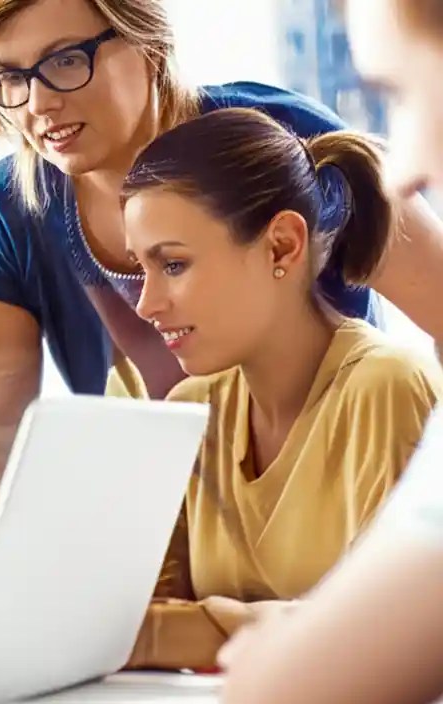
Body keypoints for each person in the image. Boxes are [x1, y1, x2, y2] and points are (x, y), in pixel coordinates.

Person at [0, 0, 443, 541]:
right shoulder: (4, 214)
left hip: (354, 527)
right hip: (182, 544)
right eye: (11, 77)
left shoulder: (275, 138)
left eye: (66, 61)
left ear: (149, 44)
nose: (38, 103)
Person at [112, 106, 442, 671]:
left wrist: (182, 634)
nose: (146, 304)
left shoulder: (387, 392)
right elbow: (143, 618)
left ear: (282, 246)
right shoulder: (192, 410)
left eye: (173, 265)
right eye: (142, 269)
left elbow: (386, 638)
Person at [219, 2, 443, 704]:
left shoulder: (384, 381)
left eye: (407, 93)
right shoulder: (197, 405)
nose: (405, 171)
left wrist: (281, 647)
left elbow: (282, 700)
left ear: (283, 247)